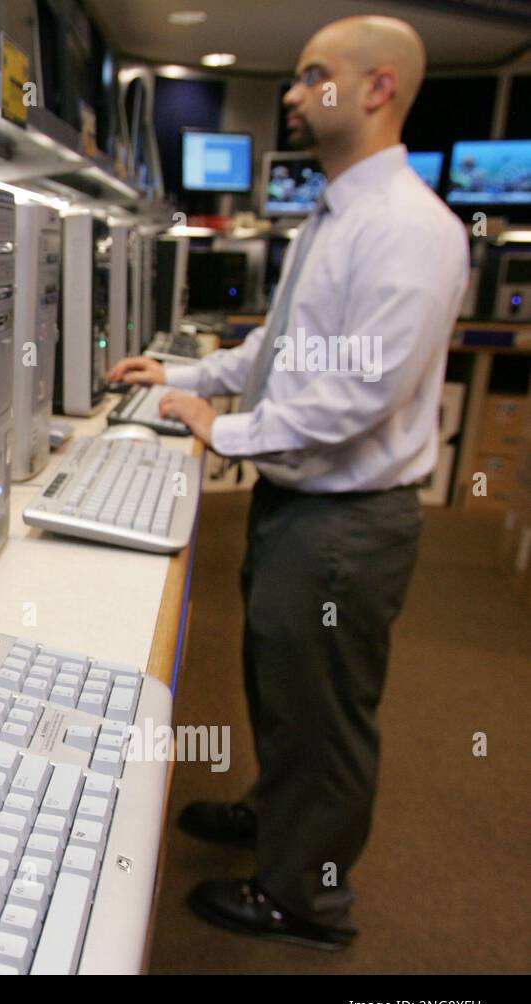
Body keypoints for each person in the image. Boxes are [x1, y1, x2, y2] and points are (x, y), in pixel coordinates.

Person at [109, 14, 468, 949]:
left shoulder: (408, 230)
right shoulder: (340, 214)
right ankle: (280, 816)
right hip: (303, 505)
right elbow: (284, 350)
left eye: (314, 78)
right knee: (285, 691)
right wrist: (184, 379)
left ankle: (309, 902)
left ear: (379, 88)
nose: (297, 97)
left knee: (326, 719)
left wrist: (224, 427)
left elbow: (357, 395)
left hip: (346, 524)